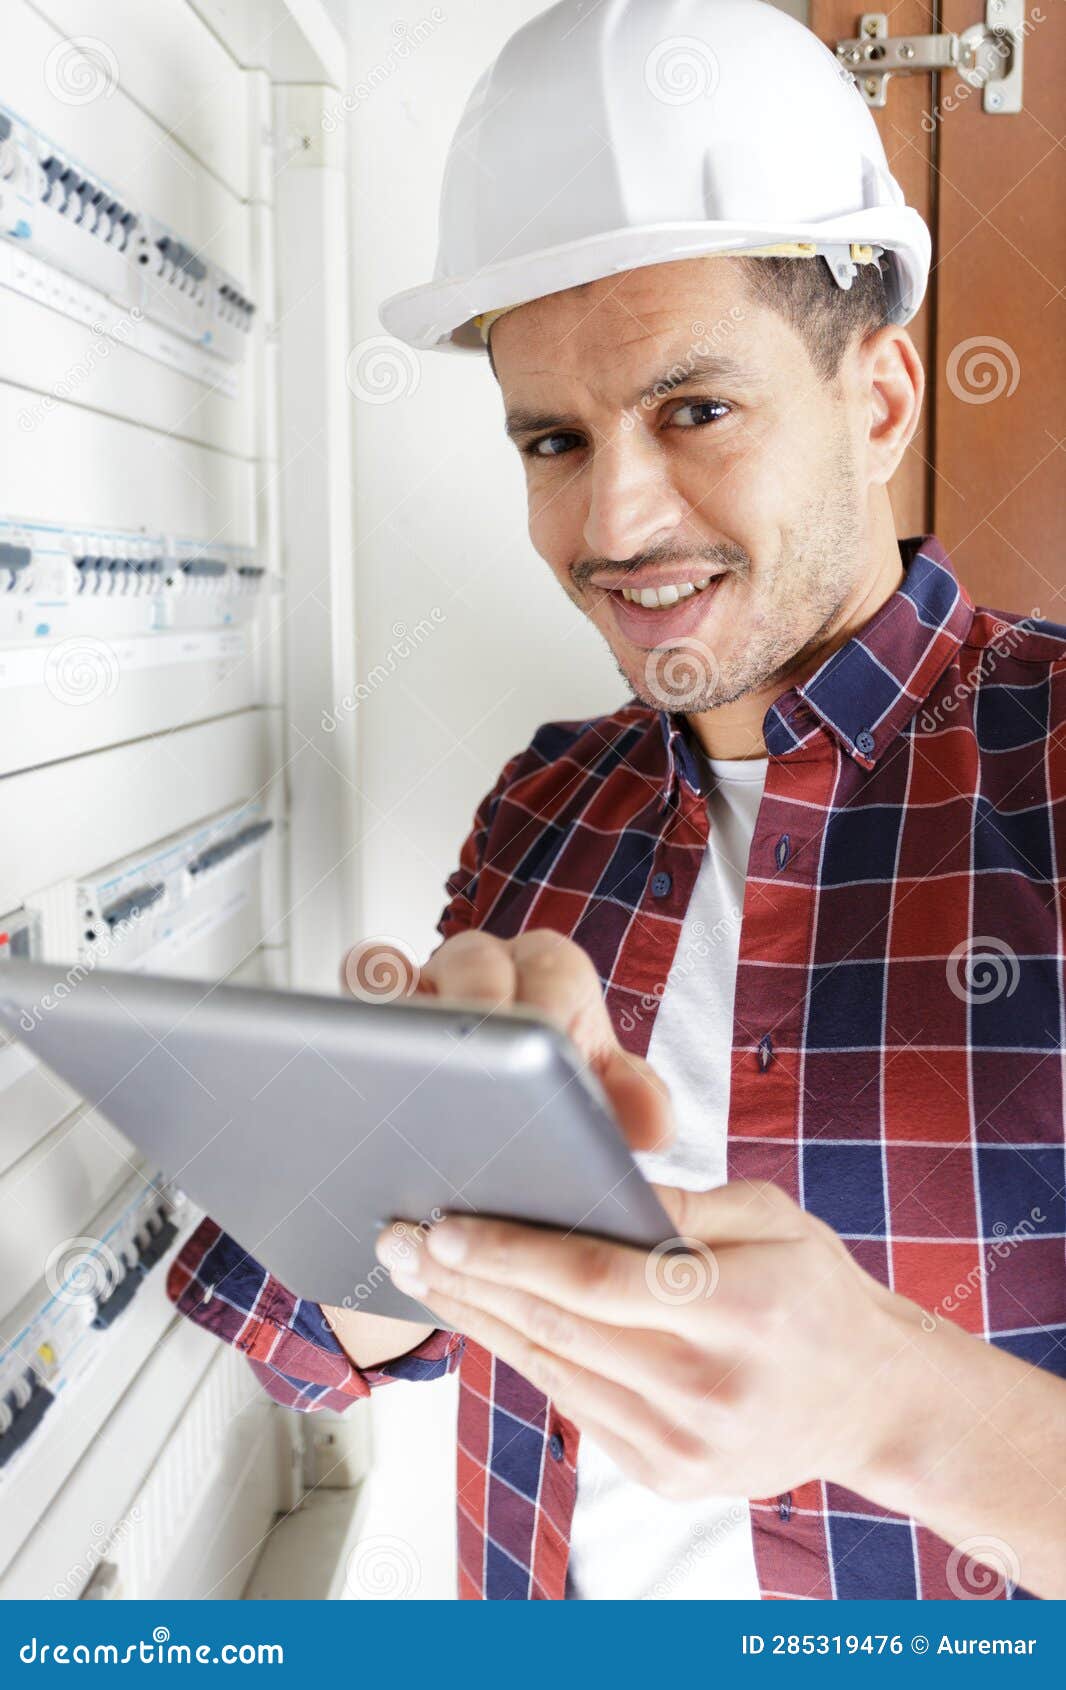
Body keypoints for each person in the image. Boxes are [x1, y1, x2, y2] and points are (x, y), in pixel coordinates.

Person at [167, 0, 1066, 1601]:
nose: (615, 516)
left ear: (875, 398)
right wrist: (428, 1191)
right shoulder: (546, 809)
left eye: (692, 409)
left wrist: (896, 1404)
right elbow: (307, 1341)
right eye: (552, 439)